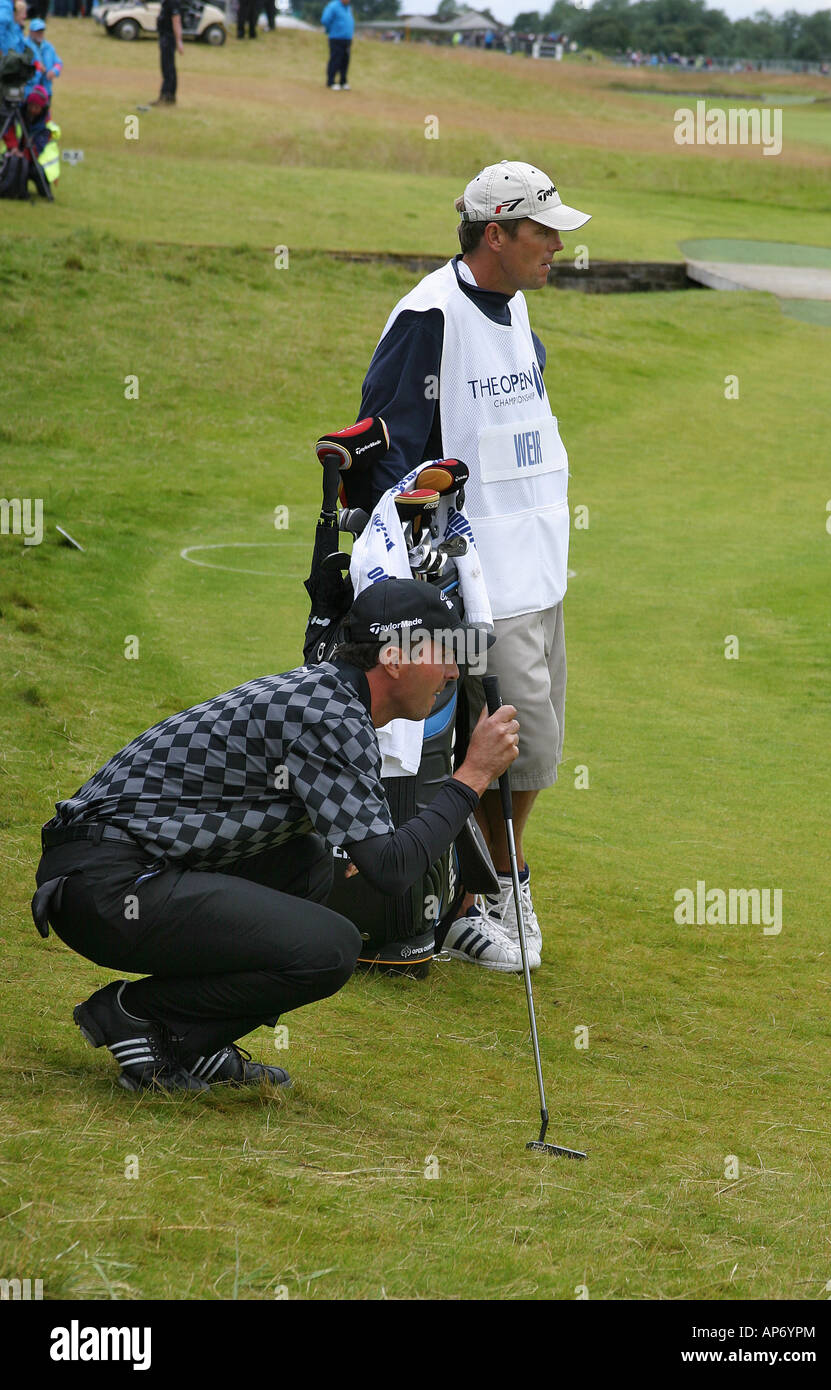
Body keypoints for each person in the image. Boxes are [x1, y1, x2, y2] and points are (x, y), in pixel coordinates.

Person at [32, 580, 518, 1094]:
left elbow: (375, 852)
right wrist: (473, 775)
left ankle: (187, 1042)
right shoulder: (331, 713)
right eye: (443, 653)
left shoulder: (330, 697)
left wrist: (375, 842)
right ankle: (136, 1017)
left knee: (305, 864)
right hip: (108, 886)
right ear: (395, 658)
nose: (451, 672)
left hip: (112, 872)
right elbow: (392, 870)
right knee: (331, 948)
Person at [354, 160, 591, 974]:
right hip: (478, 573)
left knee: (533, 748)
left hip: (540, 565)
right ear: (497, 231)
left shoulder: (516, 309)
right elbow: (386, 445)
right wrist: (409, 572)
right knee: (511, 742)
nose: (557, 245)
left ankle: (480, 890)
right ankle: (490, 890)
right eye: (542, 230)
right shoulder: (431, 315)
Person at [24, 17, 62, 101]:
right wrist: (37, 66)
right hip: (29, 90)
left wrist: (54, 71)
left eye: (41, 31)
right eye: (37, 31)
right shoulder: (24, 45)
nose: (40, 33)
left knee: (45, 113)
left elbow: (58, 63)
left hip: (46, 90)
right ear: (31, 31)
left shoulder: (49, 47)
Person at [320, 0, 353, 91]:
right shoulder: (333, 6)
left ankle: (343, 81)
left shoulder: (348, 7)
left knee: (345, 61)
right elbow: (325, 20)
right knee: (335, 60)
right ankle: (331, 82)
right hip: (336, 38)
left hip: (347, 39)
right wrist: (332, 30)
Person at [155, 0, 183, 106]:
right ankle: (170, 96)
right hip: (165, 37)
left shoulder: (173, 2)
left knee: (168, 68)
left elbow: (176, 21)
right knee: (168, 67)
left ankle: (166, 96)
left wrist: (179, 41)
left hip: (168, 38)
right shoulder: (166, 2)